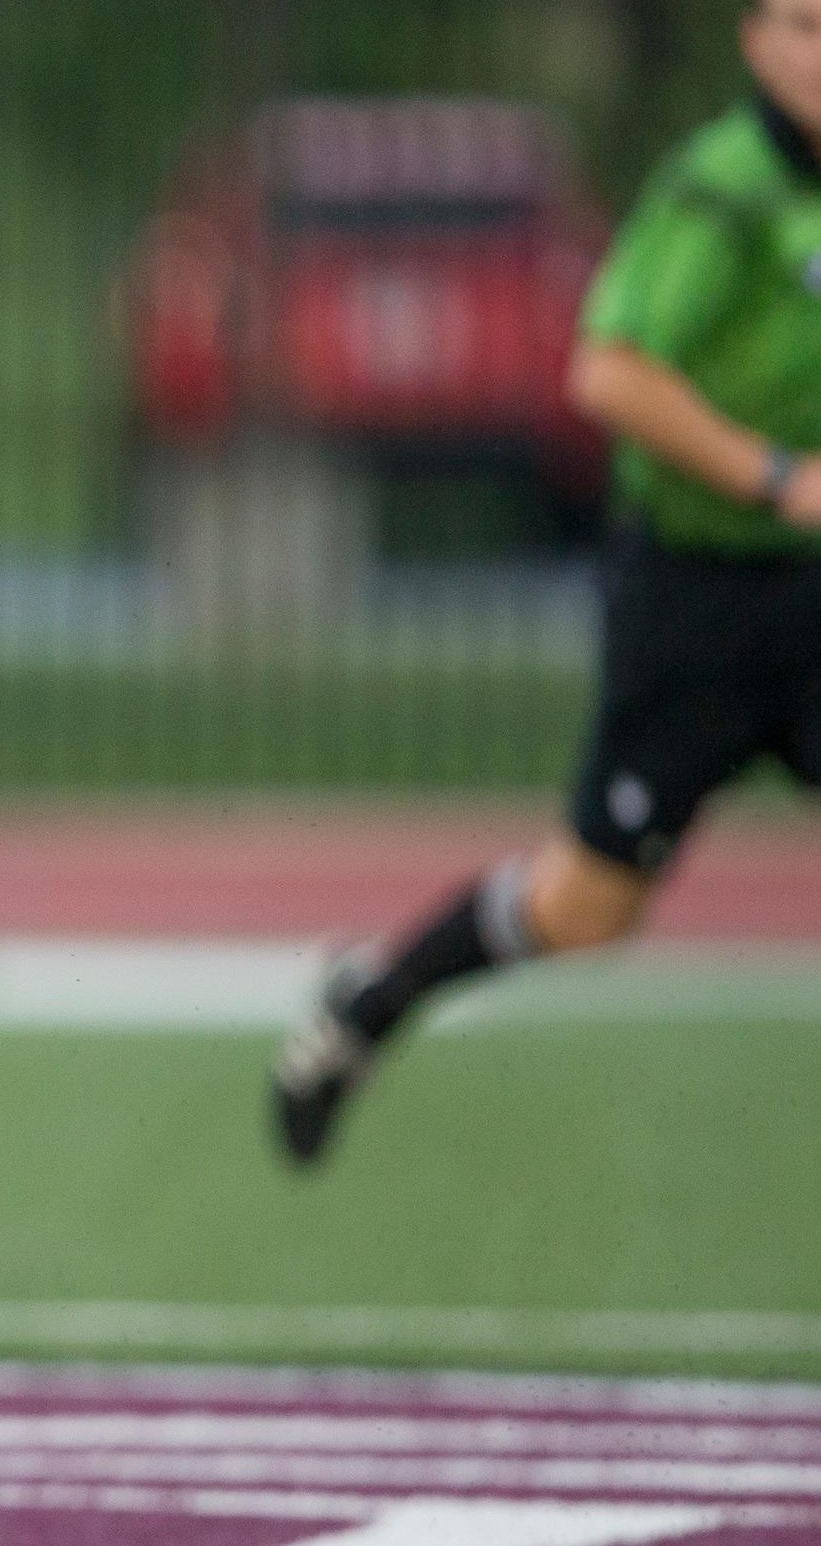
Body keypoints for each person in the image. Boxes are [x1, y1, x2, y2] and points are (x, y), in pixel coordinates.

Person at [273, 0, 821, 1166]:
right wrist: (776, 477)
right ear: (754, 40)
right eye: (808, 27)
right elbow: (609, 371)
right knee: (589, 907)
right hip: (699, 607)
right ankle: (370, 1001)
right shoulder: (720, 190)